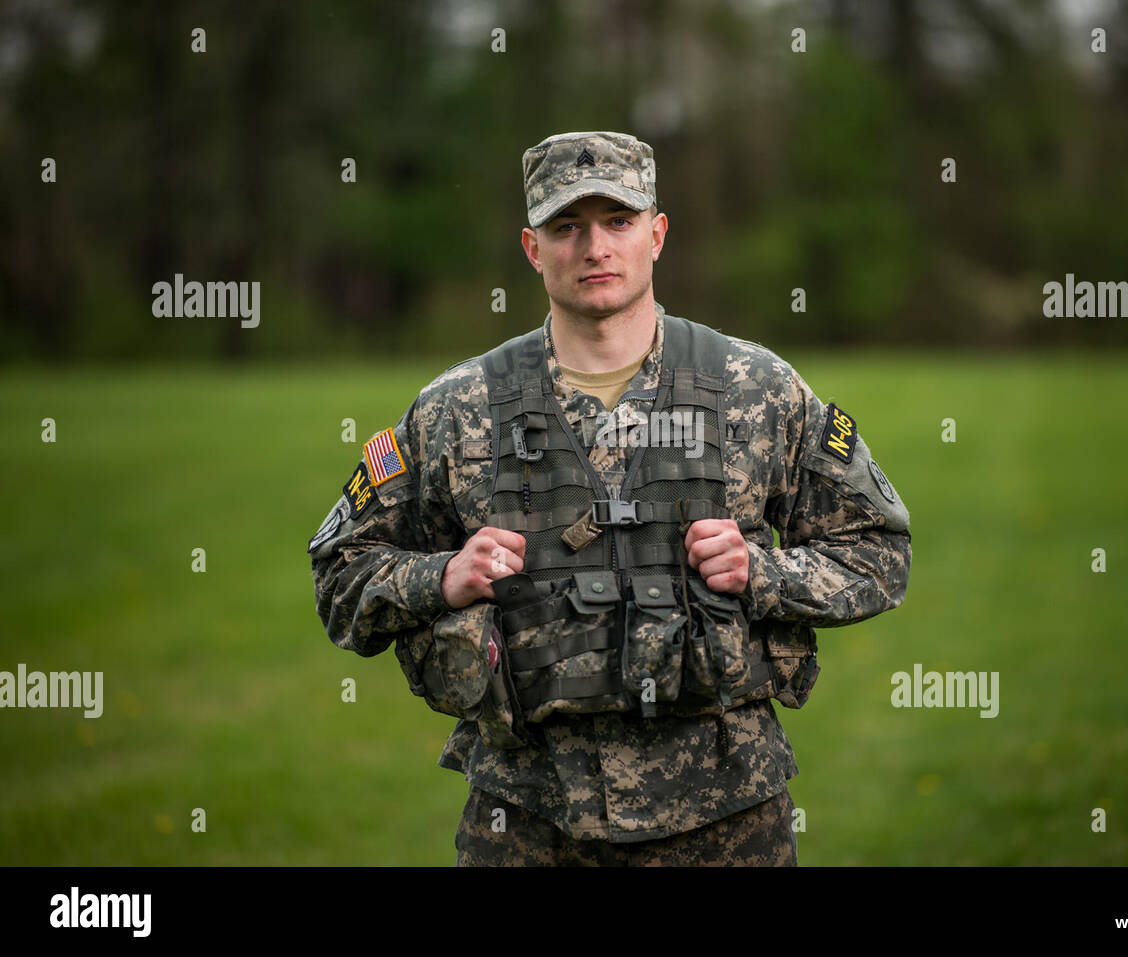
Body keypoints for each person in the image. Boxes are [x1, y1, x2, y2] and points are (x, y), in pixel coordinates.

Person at [309, 130, 912, 867]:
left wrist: (765, 573)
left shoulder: (759, 388)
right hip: (529, 823)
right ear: (533, 248)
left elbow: (880, 550)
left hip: (727, 823)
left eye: (618, 221)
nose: (595, 246)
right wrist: (436, 578)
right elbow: (339, 568)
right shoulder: (456, 408)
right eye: (567, 226)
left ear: (656, 234)